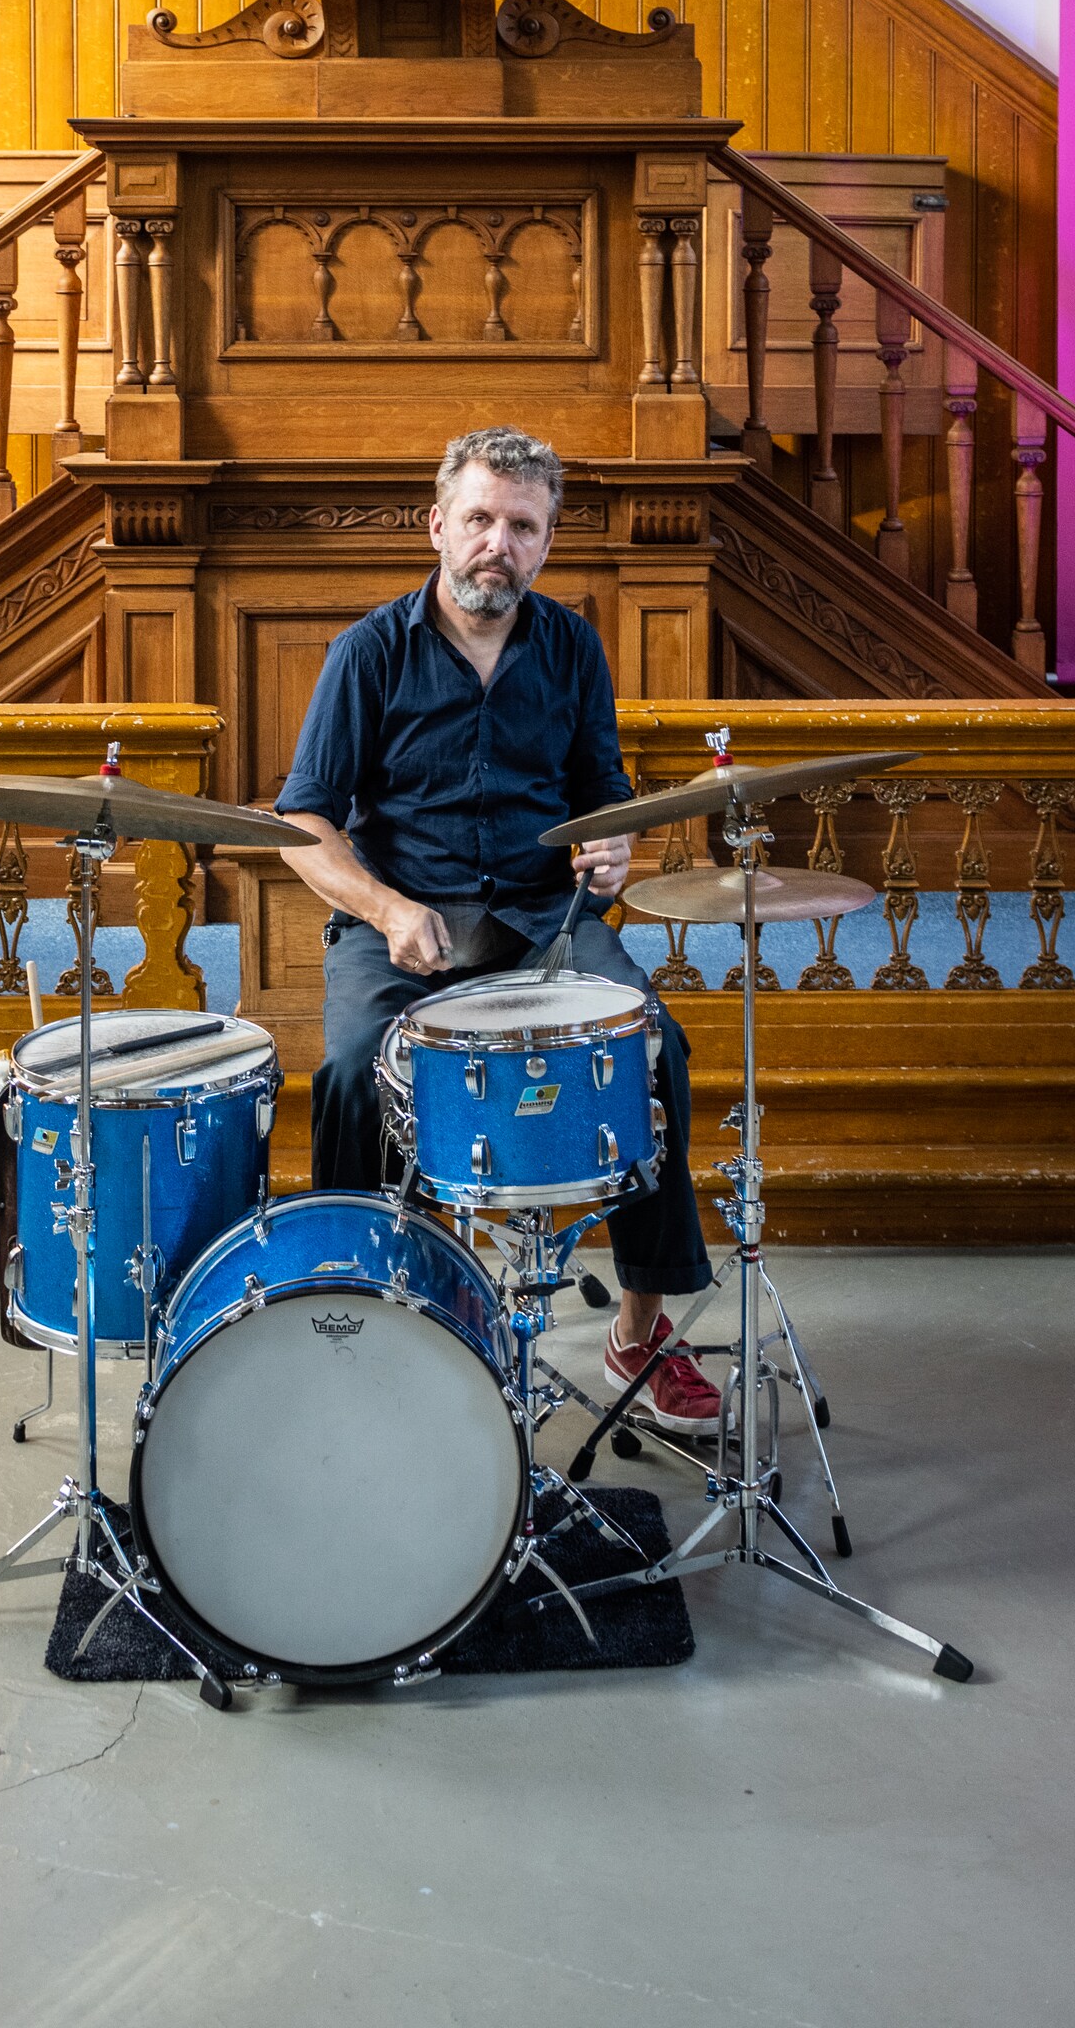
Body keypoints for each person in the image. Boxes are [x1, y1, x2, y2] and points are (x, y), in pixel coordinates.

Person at [273, 424, 721, 1432]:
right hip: (405, 921)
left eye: (522, 527)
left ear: (545, 541)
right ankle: (350, 1317)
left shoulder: (571, 647)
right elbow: (302, 823)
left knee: (655, 1043)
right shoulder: (368, 653)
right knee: (347, 1070)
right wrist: (384, 908)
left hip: (539, 917)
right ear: (438, 525)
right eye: (479, 520)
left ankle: (638, 1330)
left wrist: (612, 848)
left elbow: (601, 794)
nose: (497, 545)